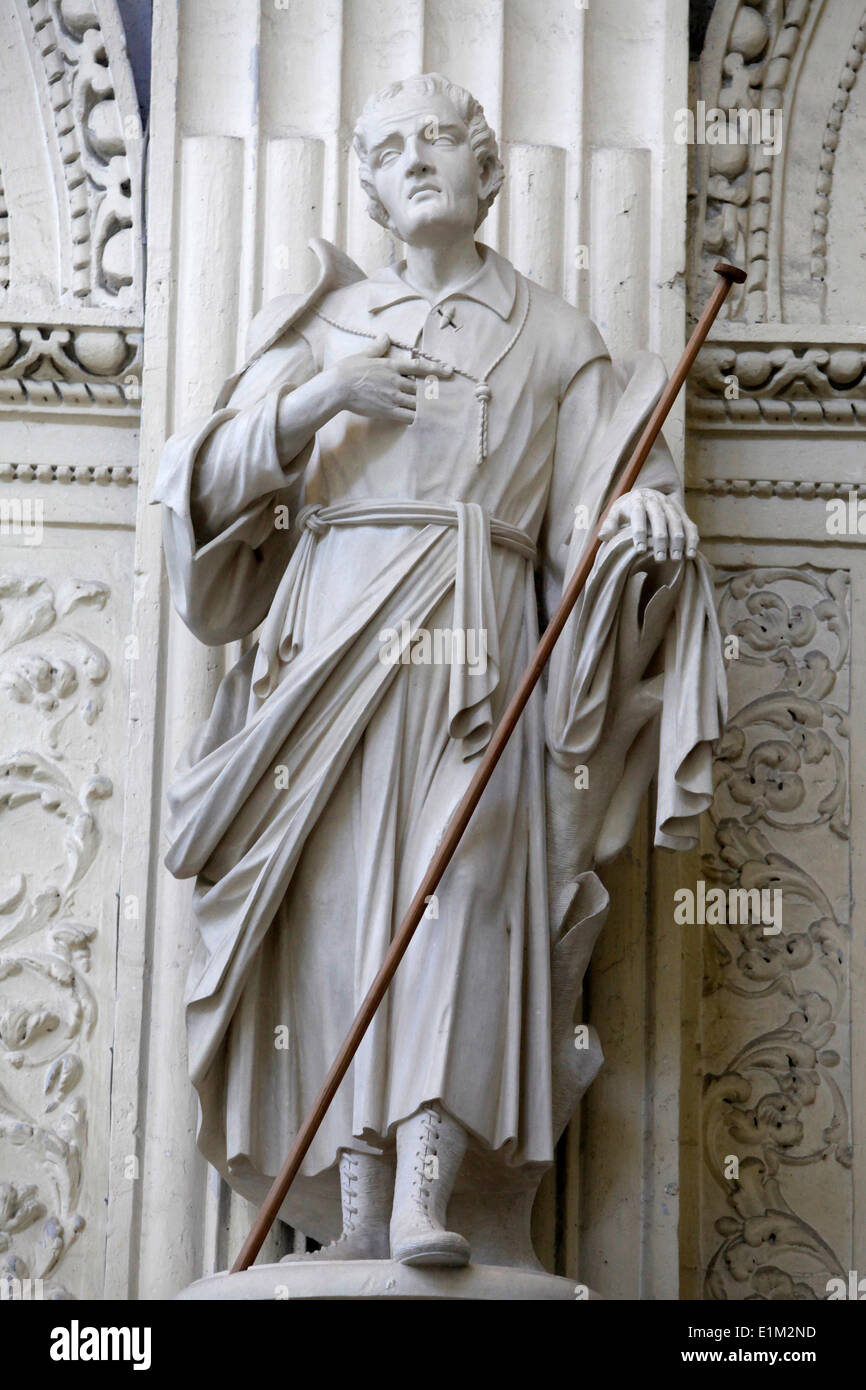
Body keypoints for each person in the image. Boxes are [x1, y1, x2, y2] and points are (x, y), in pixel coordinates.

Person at [153, 72, 725, 1269]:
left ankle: (428, 1184)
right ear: (365, 187)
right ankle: (354, 1196)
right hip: (334, 647)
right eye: (391, 148)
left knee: (459, 899)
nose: (417, 160)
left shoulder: (557, 337)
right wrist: (318, 400)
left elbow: (600, 502)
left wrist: (641, 526)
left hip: (479, 645)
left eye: (441, 142)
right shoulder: (323, 330)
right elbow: (199, 495)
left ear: (487, 174)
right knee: (336, 920)